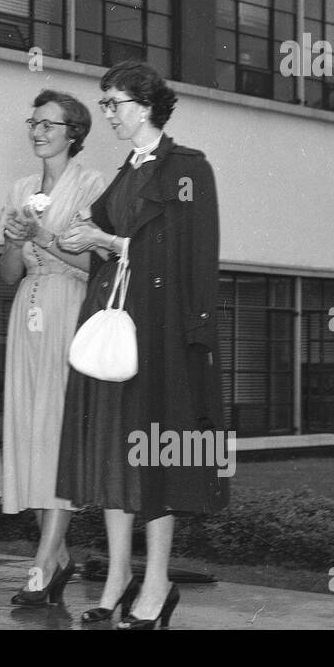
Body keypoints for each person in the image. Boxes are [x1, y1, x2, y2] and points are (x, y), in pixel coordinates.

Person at [56, 60, 228, 629]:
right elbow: (110, 243)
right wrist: (82, 235)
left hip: (159, 334)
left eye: (114, 104)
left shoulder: (187, 169)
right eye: (104, 104)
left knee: (152, 454)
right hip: (116, 325)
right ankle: (117, 578)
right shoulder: (128, 170)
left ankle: (155, 582)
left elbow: (187, 255)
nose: (107, 114)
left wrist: (107, 238)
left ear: (147, 105)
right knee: (112, 449)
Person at [0, 91, 106, 605]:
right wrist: (14, 240)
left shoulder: (92, 185)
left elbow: (98, 266)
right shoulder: (20, 187)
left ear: (73, 132)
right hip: (28, 312)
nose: (38, 131)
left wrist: (43, 235)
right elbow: (6, 273)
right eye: (33, 122)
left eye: (49, 124)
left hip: (70, 310)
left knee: (58, 432)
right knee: (29, 430)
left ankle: (42, 562)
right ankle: (58, 555)